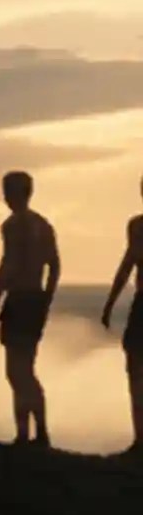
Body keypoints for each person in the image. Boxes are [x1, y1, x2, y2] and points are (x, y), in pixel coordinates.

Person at [0, 170, 60, 447]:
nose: (5, 197)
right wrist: (46, 299)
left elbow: (8, 266)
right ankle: (32, 433)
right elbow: (54, 266)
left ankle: (31, 434)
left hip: (19, 301)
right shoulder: (44, 224)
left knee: (18, 372)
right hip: (33, 302)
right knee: (23, 370)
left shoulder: (13, 226)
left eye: (8, 191)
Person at [100, 176, 143, 454]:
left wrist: (109, 304)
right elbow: (127, 265)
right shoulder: (137, 226)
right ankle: (140, 441)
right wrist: (109, 303)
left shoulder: (137, 227)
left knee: (136, 370)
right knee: (135, 368)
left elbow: (128, 264)